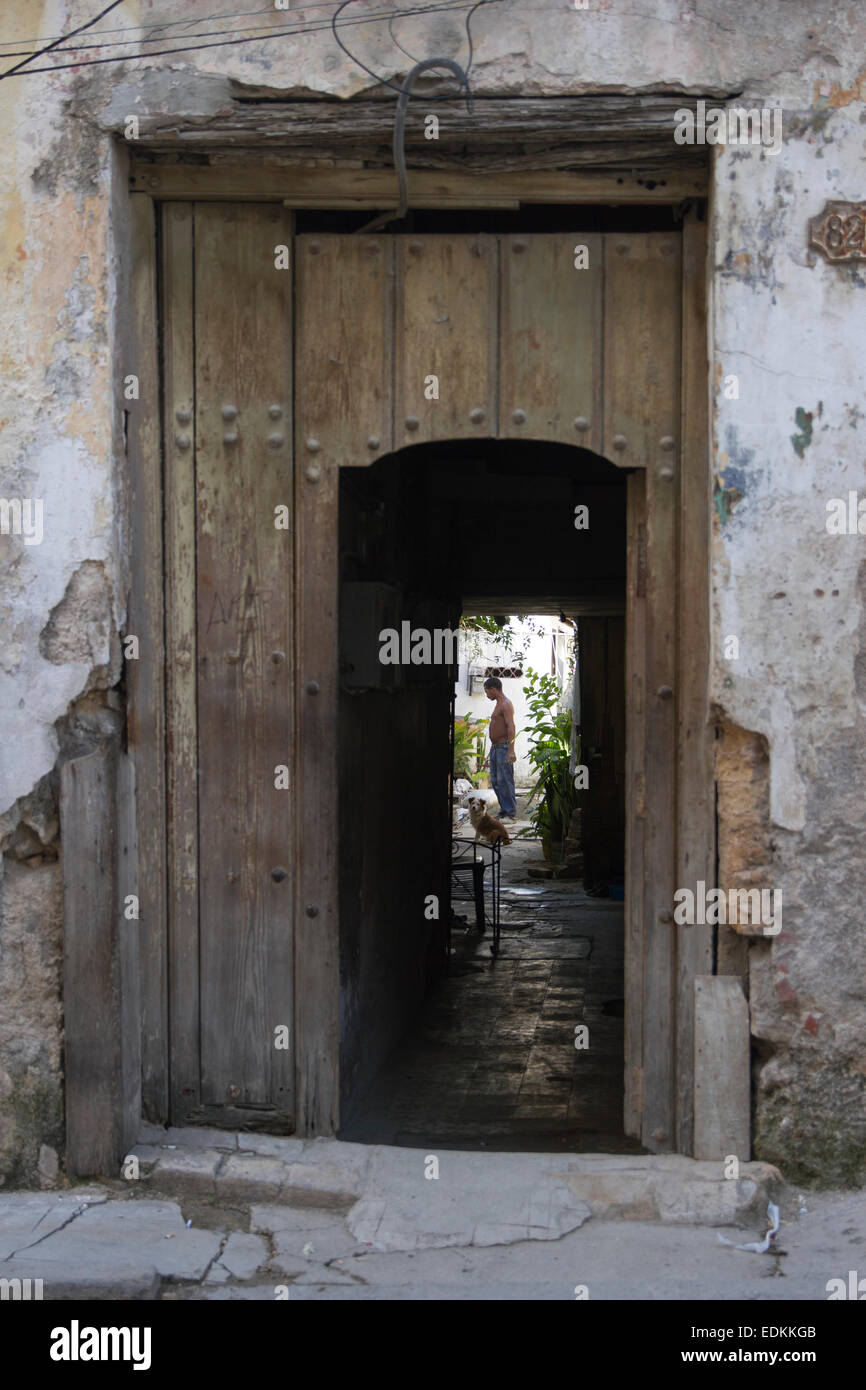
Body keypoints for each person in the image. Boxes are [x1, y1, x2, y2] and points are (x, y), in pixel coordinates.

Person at [483, 676, 517, 820]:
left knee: (505, 781)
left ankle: (510, 813)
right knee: (496, 781)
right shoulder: (498, 704)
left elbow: (511, 726)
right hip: (496, 748)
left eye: (487, 692)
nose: (486, 695)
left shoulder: (505, 704)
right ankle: (504, 810)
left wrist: (511, 749)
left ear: (494, 689)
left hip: (504, 747)